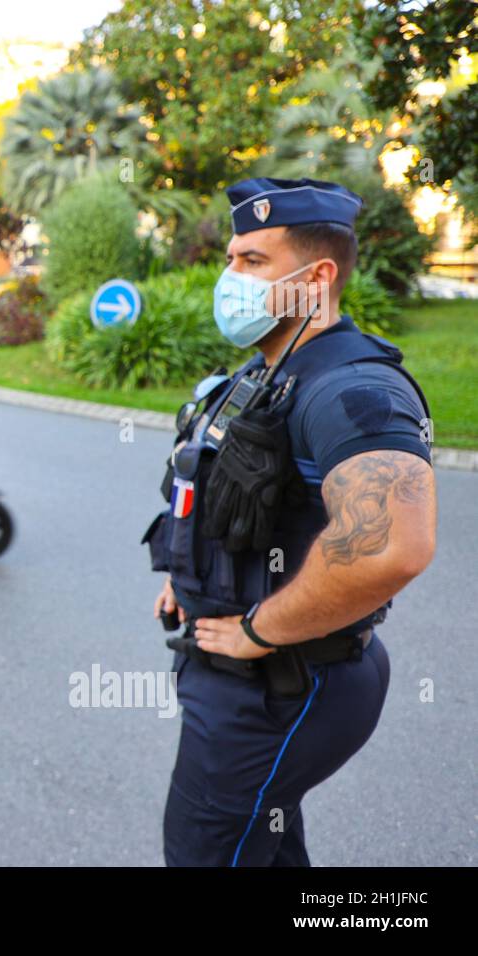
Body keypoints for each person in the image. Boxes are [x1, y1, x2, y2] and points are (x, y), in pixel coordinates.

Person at [145, 176, 437, 867]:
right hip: (236, 673)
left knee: (205, 855)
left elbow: (394, 546)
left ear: (318, 277)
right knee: (265, 848)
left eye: (253, 262)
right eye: (230, 259)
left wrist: (256, 630)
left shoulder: (352, 389)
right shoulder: (263, 374)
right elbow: (225, 495)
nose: (230, 277)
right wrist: (186, 580)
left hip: (281, 686)